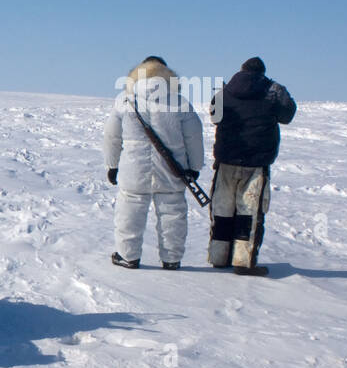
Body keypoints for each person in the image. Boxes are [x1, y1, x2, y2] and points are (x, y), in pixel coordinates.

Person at [103, 56, 205, 270]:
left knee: (129, 211)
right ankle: (171, 259)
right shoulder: (179, 102)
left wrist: (111, 165)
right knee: (172, 213)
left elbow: (112, 137)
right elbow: (194, 136)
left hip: (134, 169)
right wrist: (194, 167)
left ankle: (128, 256)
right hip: (171, 169)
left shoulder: (124, 100)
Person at [206, 57, 297, 275]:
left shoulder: (225, 92)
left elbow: (214, 117)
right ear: (263, 72)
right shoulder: (272, 91)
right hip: (256, 163)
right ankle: (243, 261)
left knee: (222, 211)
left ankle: (219, 257)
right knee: (250, 212)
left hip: (226, 162)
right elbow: (288, 115)